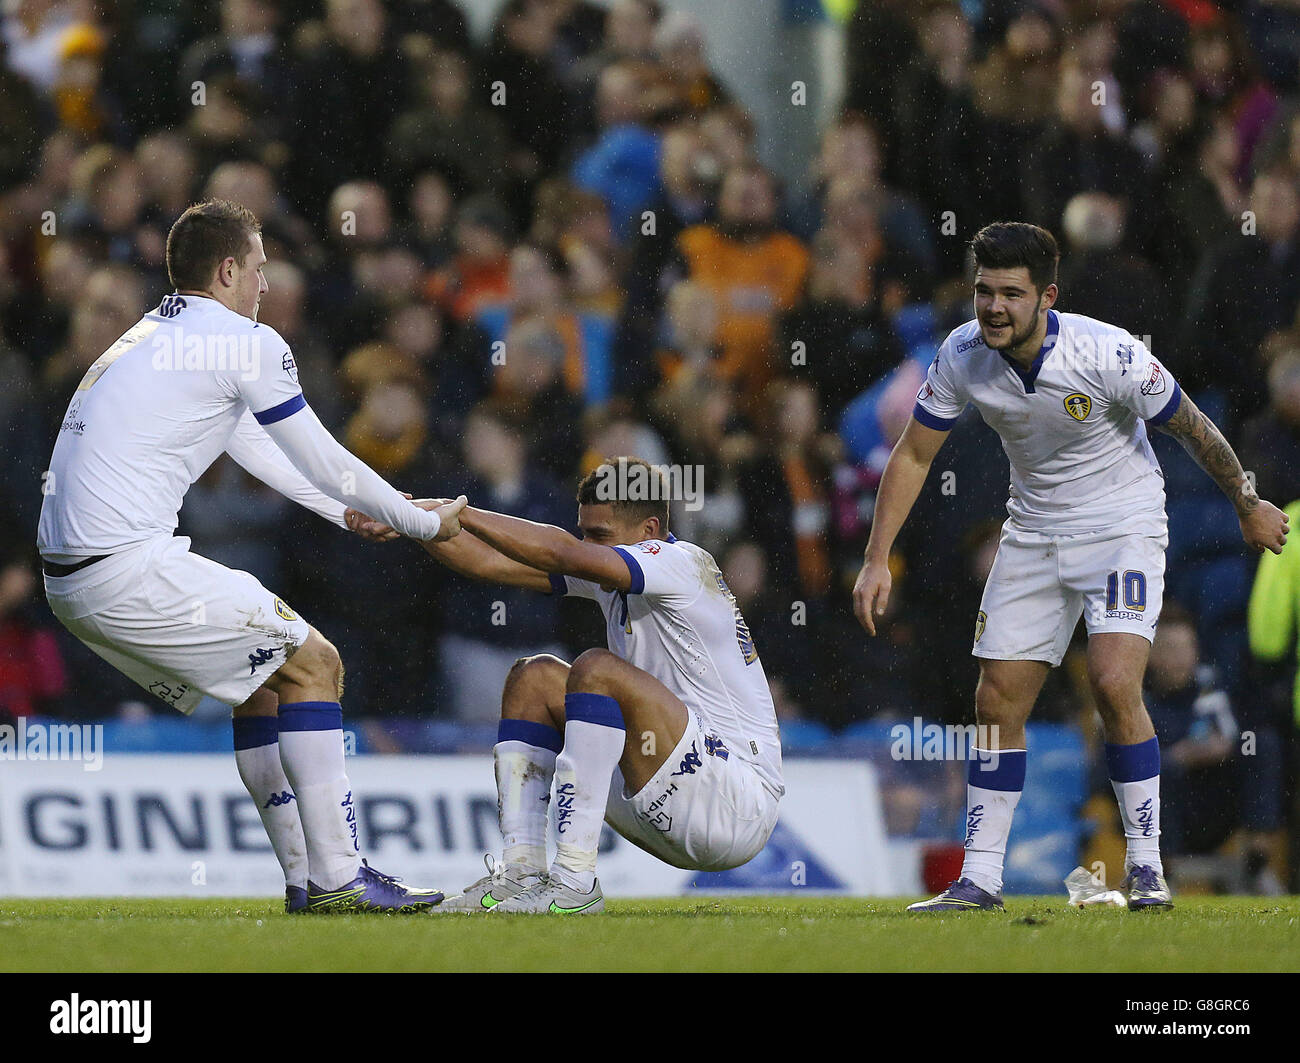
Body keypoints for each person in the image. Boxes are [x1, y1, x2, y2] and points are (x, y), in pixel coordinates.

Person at [37, 199, 468, 914]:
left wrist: (351, 513)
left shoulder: (153, 337)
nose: (267, 285)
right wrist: (415, 519)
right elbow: (328, 457)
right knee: (316, 661)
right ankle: (341, 877)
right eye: (260, 268)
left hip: (75, 580)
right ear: (229, 268)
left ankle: (307, 878)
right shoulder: (249, 342)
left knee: (264, 683)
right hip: (124, 567)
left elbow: (265, 453)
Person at [852, 221, 1289, 913]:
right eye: (983, 292)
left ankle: (1147, 867)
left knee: (1116, 683)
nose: (993, 308)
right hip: (1032, 529)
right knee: (996, 699)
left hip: (1123, 526)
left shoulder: (1107, 354)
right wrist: (878, 558)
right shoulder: (962, 354)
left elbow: (1194, 426)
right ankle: (981, 878)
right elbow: (911, 455)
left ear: (1047, 297)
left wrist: (1246, 501)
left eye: (1010, 295)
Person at [347, 456, 784, 914]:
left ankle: (575, 882)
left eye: (600, 535)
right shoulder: (615, 572)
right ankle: (522, 873)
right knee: (532, 677)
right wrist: (412, 519)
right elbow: (489, 563)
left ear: (650, 531)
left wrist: (460, 510)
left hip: (734, 802)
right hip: (662, 784)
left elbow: (560, 552)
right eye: (584, 532)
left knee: (596, 668)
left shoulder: (680, 564)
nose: (587, 544)